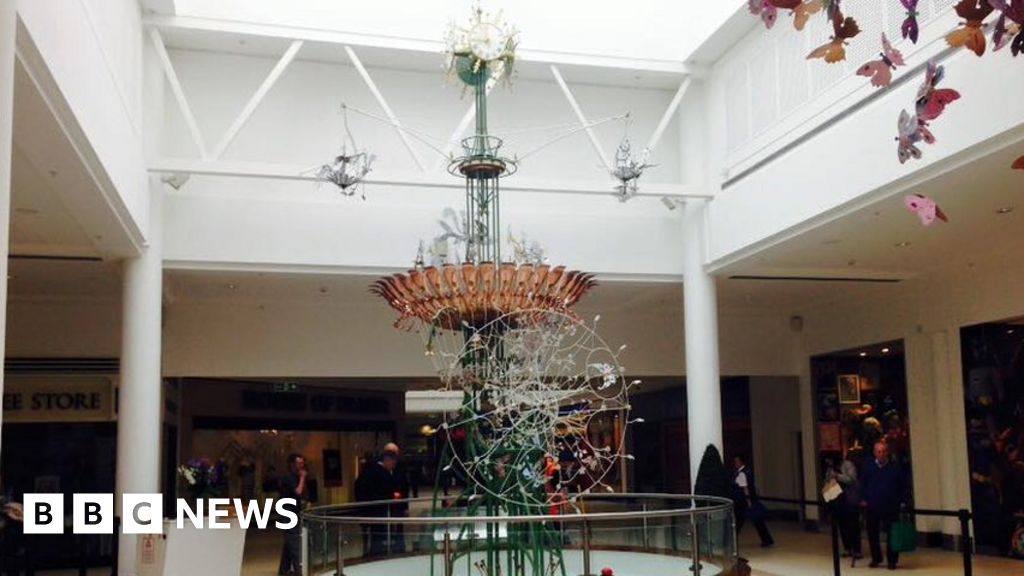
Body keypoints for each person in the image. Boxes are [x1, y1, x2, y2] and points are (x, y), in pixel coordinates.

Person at [859, 441, 909, 570]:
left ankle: (892, 560)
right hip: (872, 505)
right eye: (879, 451)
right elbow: (862, 484)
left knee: (892, 533)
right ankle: (876, 558)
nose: (881, 454)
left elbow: (903, 486)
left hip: (891, 505)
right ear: (875, 453)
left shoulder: (895, 468)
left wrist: (903, 501)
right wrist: (863, 499)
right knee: (872, 533)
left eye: (884, 451)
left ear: (887, 452)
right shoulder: (868, 467)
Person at [354, 443, 405, 555]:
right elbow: (386, 491)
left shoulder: (369, 470)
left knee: (377, 535)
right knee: (379, 535)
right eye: (393, 463)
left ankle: (376, 552)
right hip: (378, 511)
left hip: (374, 510)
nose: (393, 466)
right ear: (387, 460)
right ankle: (378, 553)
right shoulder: (380, 473)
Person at [824, 455, 862, 559]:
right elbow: (827, 481)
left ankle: (857, 550)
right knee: (842, 525)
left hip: (850, 499)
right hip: (837, 498)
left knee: (853, 525)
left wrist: (837, 476)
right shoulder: (830, 467)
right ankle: (847, 548)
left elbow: (852, 479)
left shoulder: (848, 465)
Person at [732, 455, 774, 548]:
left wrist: (749, 502)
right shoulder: (748, 471)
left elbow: (745, 488)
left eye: (737, 461)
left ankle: (731, 541)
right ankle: (767, 539)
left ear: (741, 462)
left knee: (739, 521)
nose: (735, 463)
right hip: (750, 500)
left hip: (743, 502)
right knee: (757, 521)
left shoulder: (742, 474)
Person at [278, 453, 307, 576]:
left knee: (289, 543)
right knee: (294, 542)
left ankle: (284, 570)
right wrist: (303, 478)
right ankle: (298, 570)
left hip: (293, 511)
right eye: (298, 463)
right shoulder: (288, 477)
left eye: (302, 463)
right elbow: (298, 491)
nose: (301, 466)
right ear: (292, 464)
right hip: (287, 513)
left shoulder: (295, 477)